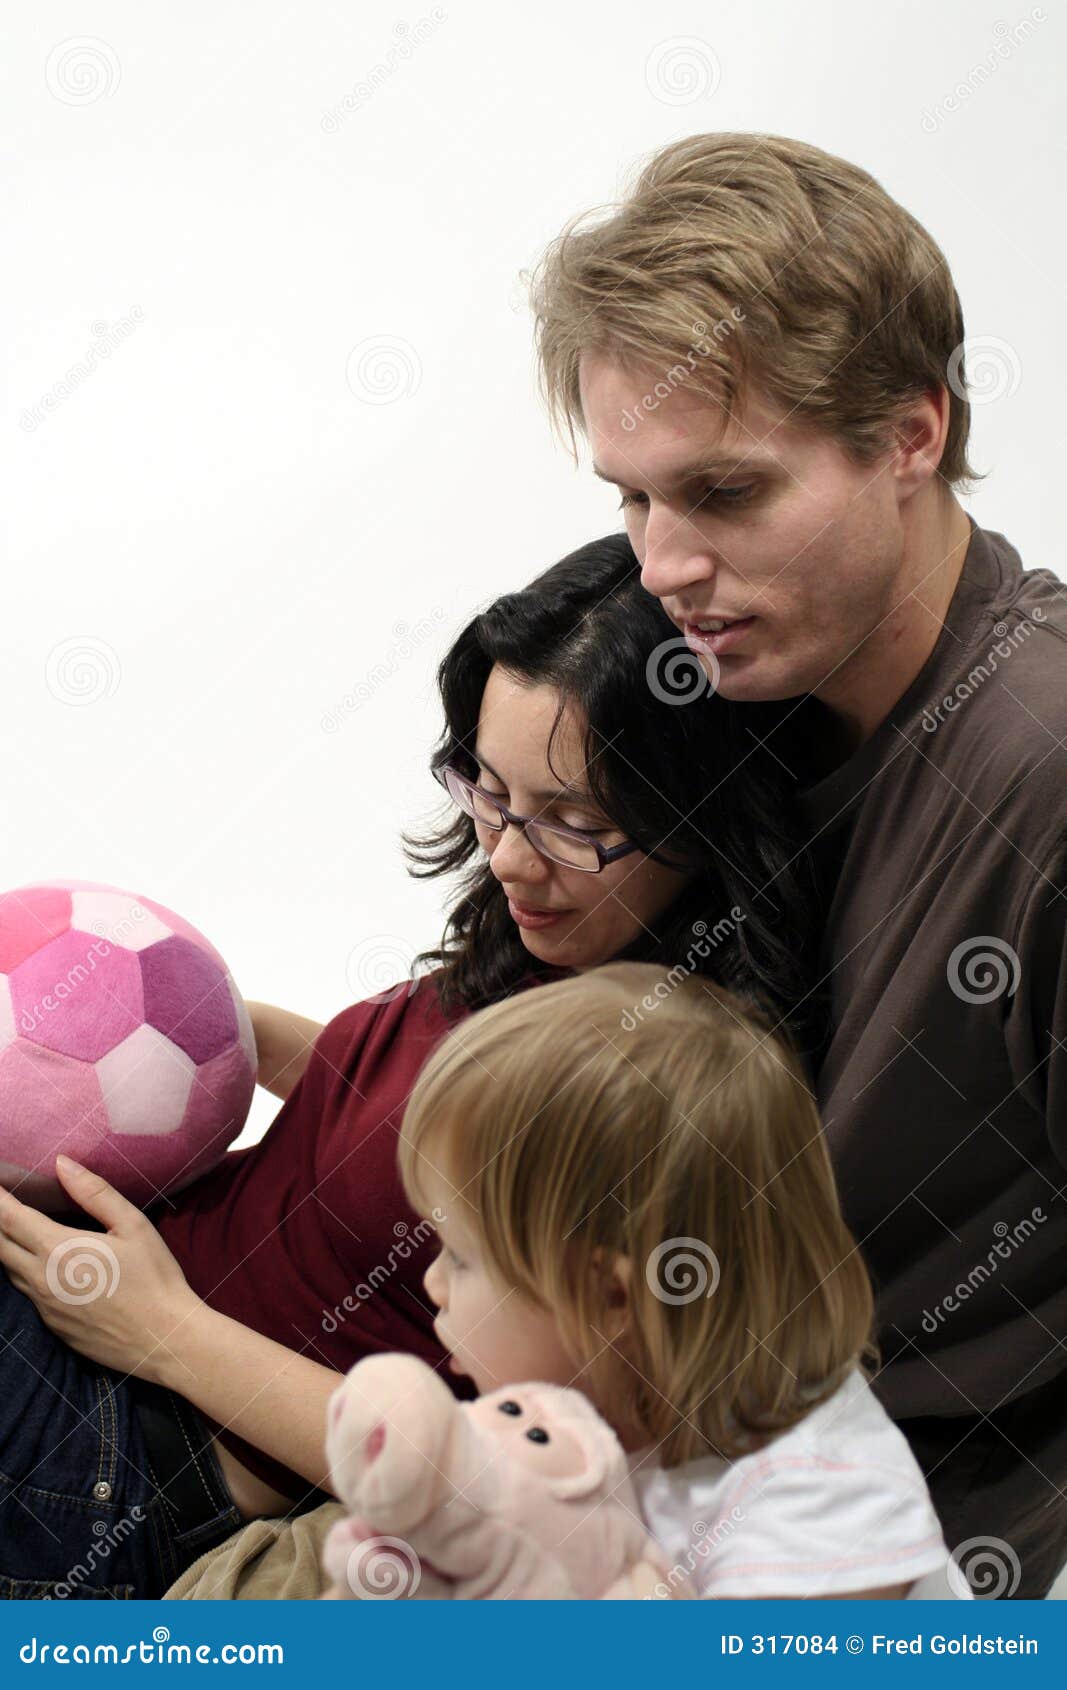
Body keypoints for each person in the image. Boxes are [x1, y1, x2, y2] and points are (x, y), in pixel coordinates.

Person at [0, 535, 824, 1599]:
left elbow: (483, 1480)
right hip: (98, 1301)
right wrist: (154, 1014)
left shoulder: (653, 1089)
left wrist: (162, 1330)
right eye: (489, 790)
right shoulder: (540, 942)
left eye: (577, 823)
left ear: (703, 818)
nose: (511, 856)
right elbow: (383, 1111)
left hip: (134, 1452)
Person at [530, 131, 1067, 1598]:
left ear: (907, 435)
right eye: (630, 498)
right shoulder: (756, 698)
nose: (659, 564)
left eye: (722, 493)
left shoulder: (1036, 766)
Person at [395, 959, 968, 1599]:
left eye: (459, 1256)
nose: (433, 1283)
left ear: (611, 1297)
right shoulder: (603, 1410)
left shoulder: (814, 1511)